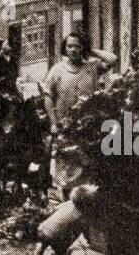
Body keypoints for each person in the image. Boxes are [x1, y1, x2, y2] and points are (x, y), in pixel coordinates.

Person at [43, 32, 104, 197]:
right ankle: (65, 201)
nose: (73, 49)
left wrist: (91, 51)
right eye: (69, 46)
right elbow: (48, 97)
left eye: (77, 46)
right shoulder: (57, 70)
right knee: (67, 167)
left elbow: (113, 59)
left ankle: (83, 204)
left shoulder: (91, 68)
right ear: (65, 48)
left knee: (87, 167)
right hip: (65, 127)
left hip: (88, 127)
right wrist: (53, 122)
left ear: (83, 47)